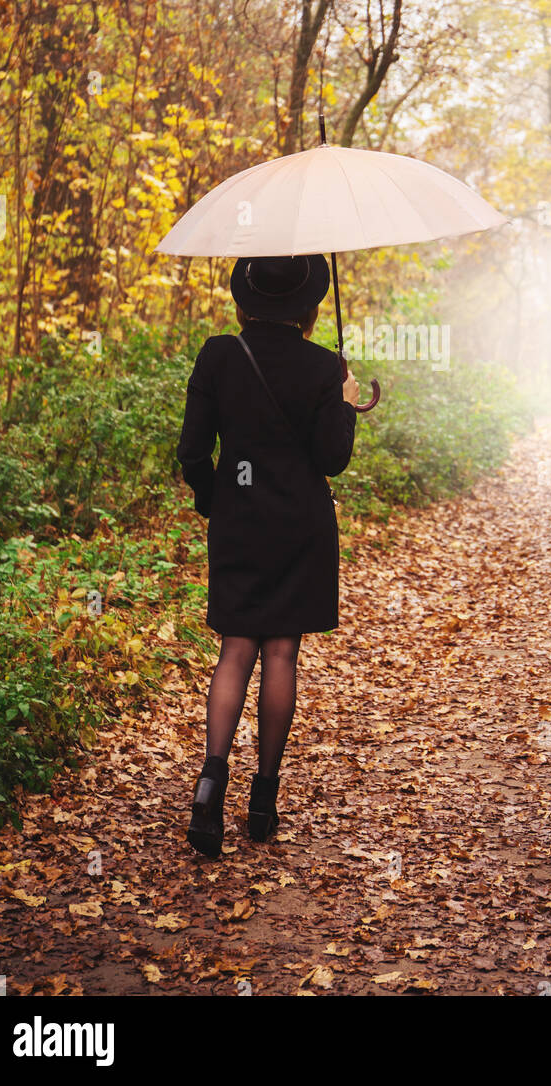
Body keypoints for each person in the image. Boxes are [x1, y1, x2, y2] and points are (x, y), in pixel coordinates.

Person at [177, 254, 359, 856]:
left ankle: (209, 784)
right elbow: (331, 460)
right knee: (281, 651)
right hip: (301, 526)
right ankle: (263, 799)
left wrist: (215, 500)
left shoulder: (218, 355)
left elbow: (192, 452)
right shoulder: (324, 366)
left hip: (240, 521)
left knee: (236, 647)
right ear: (308, 309)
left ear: (244, 300)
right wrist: (346, 402)